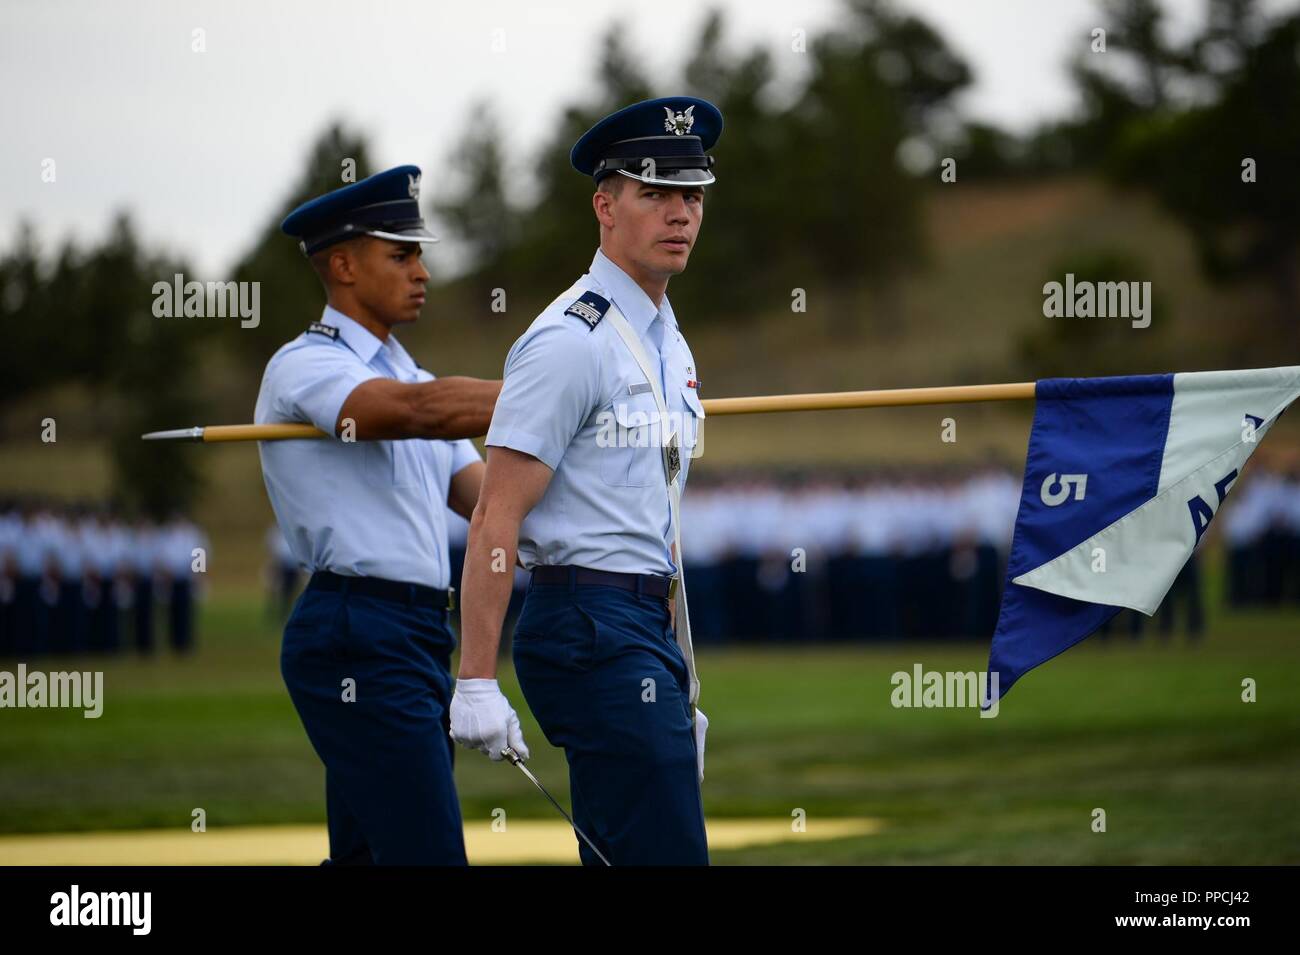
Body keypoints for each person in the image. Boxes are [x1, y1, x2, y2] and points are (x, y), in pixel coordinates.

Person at [451, 98, 720, 865]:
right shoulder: (572, 340)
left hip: (643, 624)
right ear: (604, 206)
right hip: (589, 621)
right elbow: (496, 515)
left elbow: (654, 514)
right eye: (655, 193)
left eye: (692, 194)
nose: (680, 213)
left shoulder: (668, 339)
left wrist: (677, 673)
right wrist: (474, 677)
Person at [256, 164, 501, 865]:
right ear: (342, 264)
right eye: (401, 253)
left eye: (419, 252)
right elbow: (412, 416)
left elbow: (486, 493)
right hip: (356, 631)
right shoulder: (305, 365)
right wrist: (563, 391)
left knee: (369, 857)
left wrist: (610, 454)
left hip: (417, 633)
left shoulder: (414, 374)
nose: (422, 269)